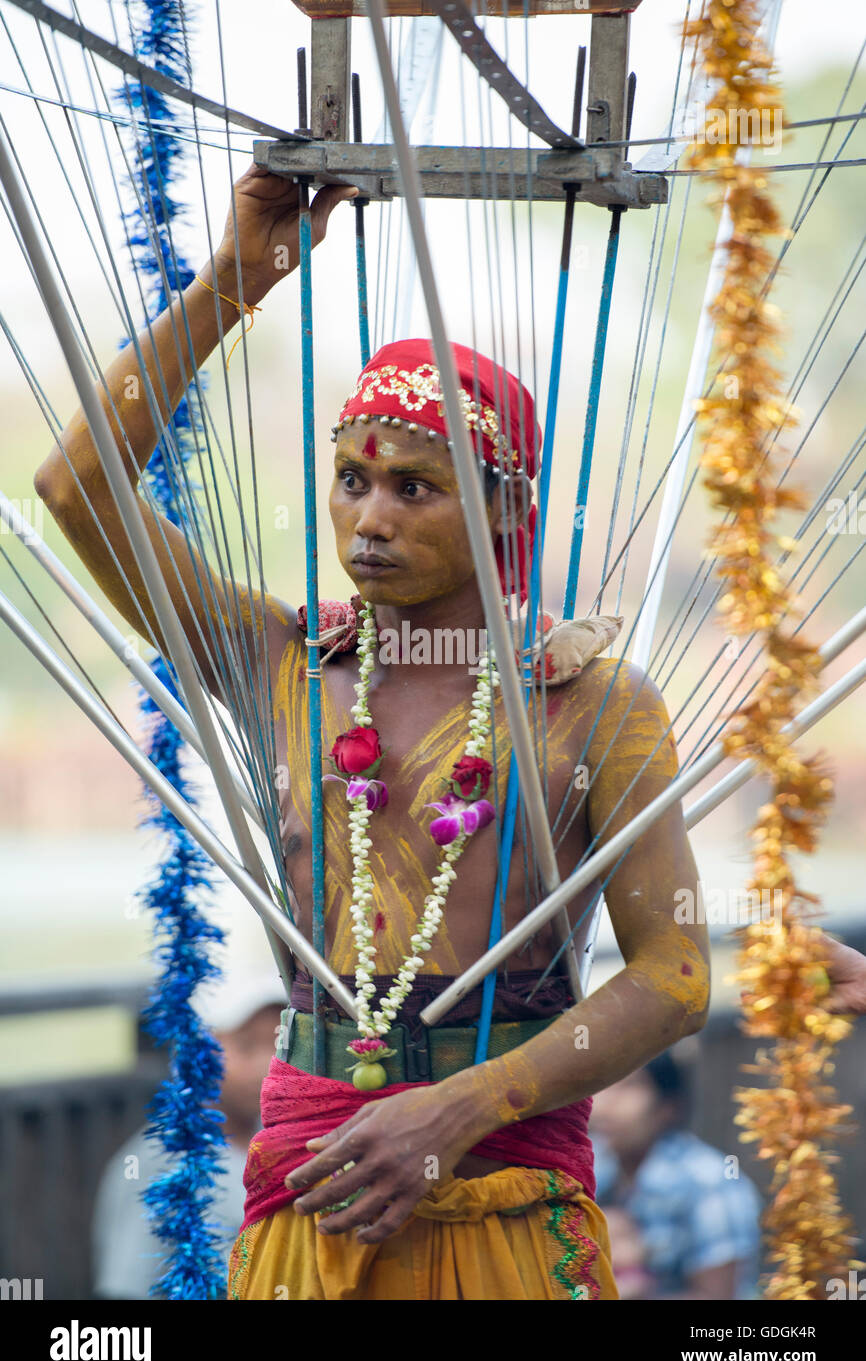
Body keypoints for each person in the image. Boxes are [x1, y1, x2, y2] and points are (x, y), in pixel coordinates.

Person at [35, 163, 859, 1302]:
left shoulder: (591, 702)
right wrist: (236, 278)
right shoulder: (280, 662)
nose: (367, 519)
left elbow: (670, 979)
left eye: (415, 488)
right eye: (349, 480)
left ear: (505, 509)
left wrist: (461, 1105)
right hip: (310, 1201)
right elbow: (76, 485)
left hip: (504, 1209)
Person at [91, 972, 284, 1298]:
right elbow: (126, 1288)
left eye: (278, 1044)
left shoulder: (274, 1142)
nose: (266, 1066)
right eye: (246, 1046)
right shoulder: (159, 1163)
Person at [591, 1051, 763, 1300]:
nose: (604, 1104)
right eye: (602, 1085)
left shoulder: (710, 1181)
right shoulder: (594, 1164)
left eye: (628, 1086)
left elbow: (716, 1297)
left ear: (667, 1107)